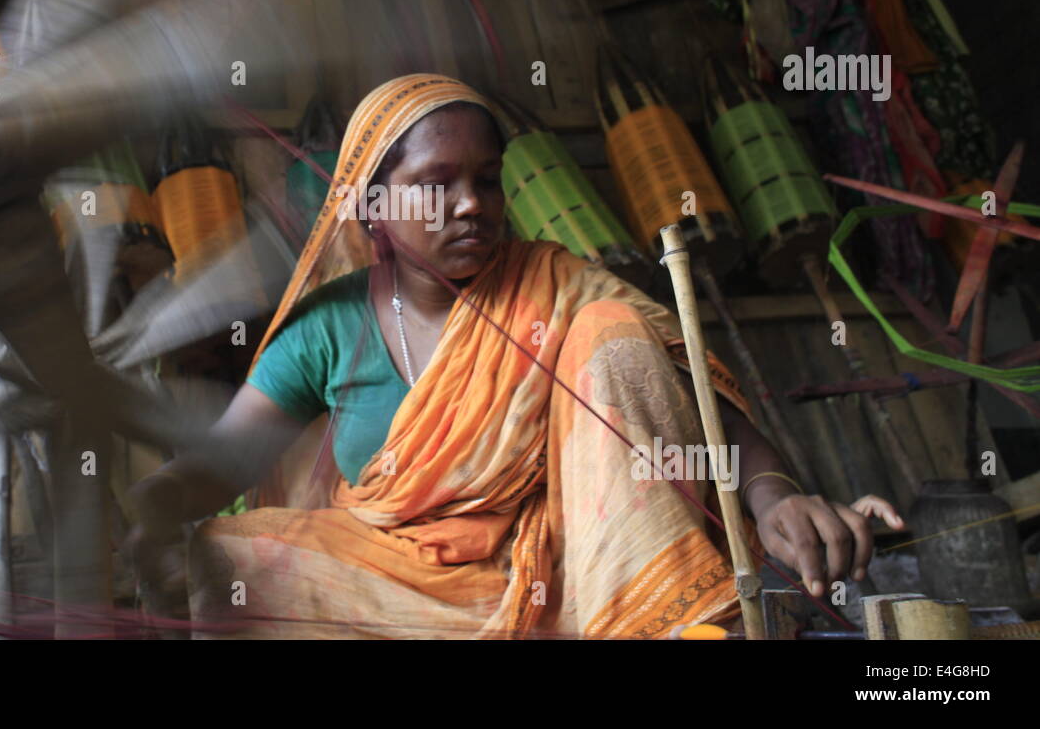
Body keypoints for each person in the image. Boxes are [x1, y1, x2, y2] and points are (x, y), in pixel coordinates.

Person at [128, 73, 902, 638]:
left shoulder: (558, 286)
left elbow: (707, 410)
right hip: (399, 595)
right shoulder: (331, 326)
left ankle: (652, 619)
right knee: (227, 556)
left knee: (612, 333)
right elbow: (221, 461)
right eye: (437, 184)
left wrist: (774, 500)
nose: (472, 204)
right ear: (373, 206)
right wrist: (154, 508)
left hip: (570, 578)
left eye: (487, 182)